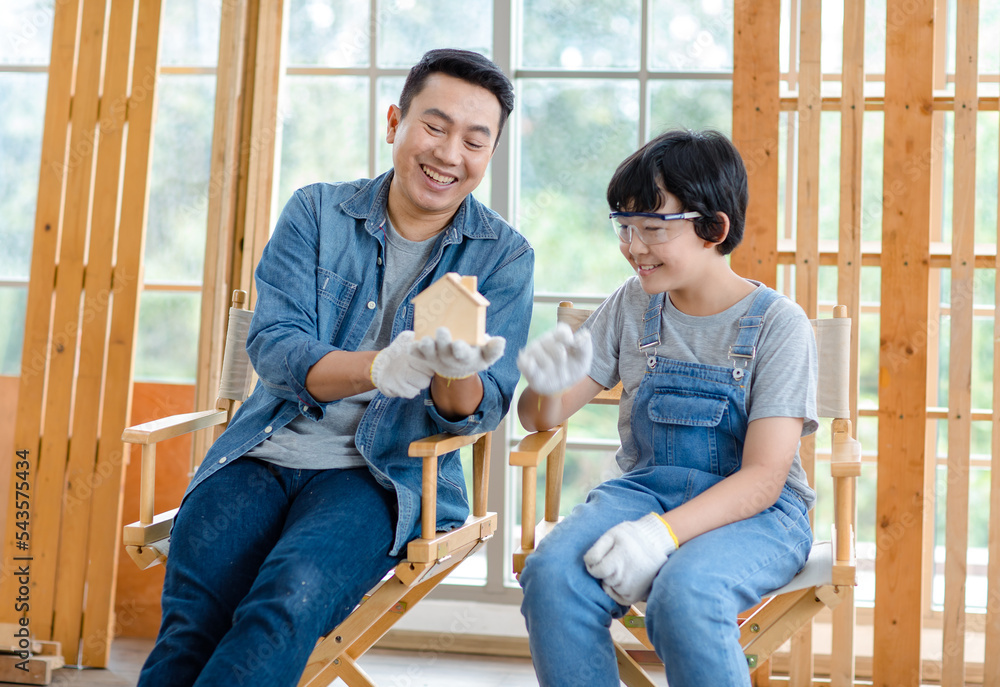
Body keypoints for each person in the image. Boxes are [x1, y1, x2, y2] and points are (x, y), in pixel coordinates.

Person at [138, 48, 533, 687]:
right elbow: (275, 346)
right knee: (193, 621)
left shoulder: (504, 256)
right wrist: (380, 367)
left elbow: (477, 408)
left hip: (381, 476)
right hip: (263, 453)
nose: (449, 154)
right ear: (393, 124)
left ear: (488, 155)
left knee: (286, 598)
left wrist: (454, 367)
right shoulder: (318, 212)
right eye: (433, 127)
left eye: (474, 141)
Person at [515, 129, 817, 687]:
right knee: (552, 574)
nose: (633, 247)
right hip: (645, 489)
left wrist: (658, 536)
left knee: (685, 593)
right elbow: (542, 418)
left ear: (714, 229)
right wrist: (540, 385)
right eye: (624, 228)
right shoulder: (632, 304)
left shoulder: (780, 325)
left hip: (760, 516)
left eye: (652, 229)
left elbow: (763, 480)